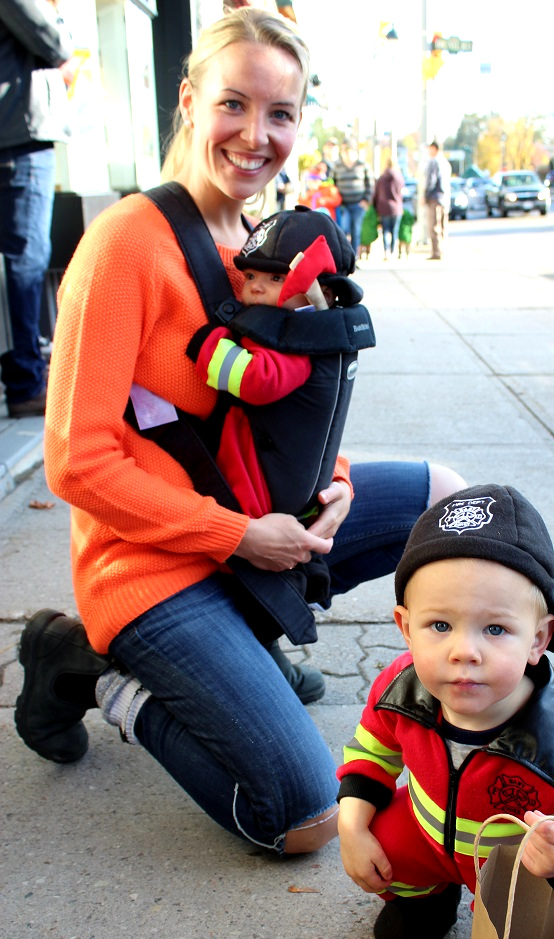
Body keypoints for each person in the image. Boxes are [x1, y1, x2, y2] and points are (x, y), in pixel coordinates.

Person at [13, 9, 465, 860]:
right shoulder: (123, 246)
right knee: (301, 818)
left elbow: (290, 409)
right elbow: (74, 461)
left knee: (452, 503)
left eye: (280, 113)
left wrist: (331, 485)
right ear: (189, 102)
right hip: (150, 566)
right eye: (233, 104)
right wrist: (239, 537)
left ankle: (248, 641)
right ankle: (91, 669)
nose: (256, 136)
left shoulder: (271, 248)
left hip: (252, 526)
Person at [337, 484, 554, 939]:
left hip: (515, 874)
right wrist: (351, 826)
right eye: (439, 625)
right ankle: (426, 903)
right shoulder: (399, 687)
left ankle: (502, 923)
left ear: (538, 639)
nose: (464, 651)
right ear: (406, 627)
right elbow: (371, 750)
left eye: (495, 629)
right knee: (385, 842)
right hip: (425, 840)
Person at [191, 204, 363, 524]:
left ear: (320, 294)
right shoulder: (281, 326)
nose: (256, 286)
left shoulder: (298, 342)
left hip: (259, 488)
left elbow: (260, 380)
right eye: (250, 276)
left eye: (275, 278)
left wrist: (209, 345)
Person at [0, 0, 72, 417]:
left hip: (13, 130)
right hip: (18, 135)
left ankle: (26, 374)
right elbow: (55, 40)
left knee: (21, 261)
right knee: (26, 261)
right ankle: (26, 382)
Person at [331, 138, 372, 260]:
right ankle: (344, 258)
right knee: (343, 230)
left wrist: (366, 200)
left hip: (358, 204)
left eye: (349, 151)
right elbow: (332, 183)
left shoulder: (362, 165)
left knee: (356, 231)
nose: (347, 154)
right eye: (345, 151)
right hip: (343, 204)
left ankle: (354, 258)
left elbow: (370, 184)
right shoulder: (337, 166)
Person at [423, 141, 451, 261]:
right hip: (445, 199)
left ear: (434, 148)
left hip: (435, 198)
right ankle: (443, 250)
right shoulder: (445, 163)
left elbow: (431, 180)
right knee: (443, 226)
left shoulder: (434, 162)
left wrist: (425, 195)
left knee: (434, 226)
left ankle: (437, 252)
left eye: (430, 148)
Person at [372, 159, 404, 261]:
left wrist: (375, 206)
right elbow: (401, 193)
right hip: (396, 208)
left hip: (384, 207)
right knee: (395, 230)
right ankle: (393, 251)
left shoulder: (381, 178)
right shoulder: (399, 178)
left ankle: (386, 252)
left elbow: (376, 193)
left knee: (385, 230)